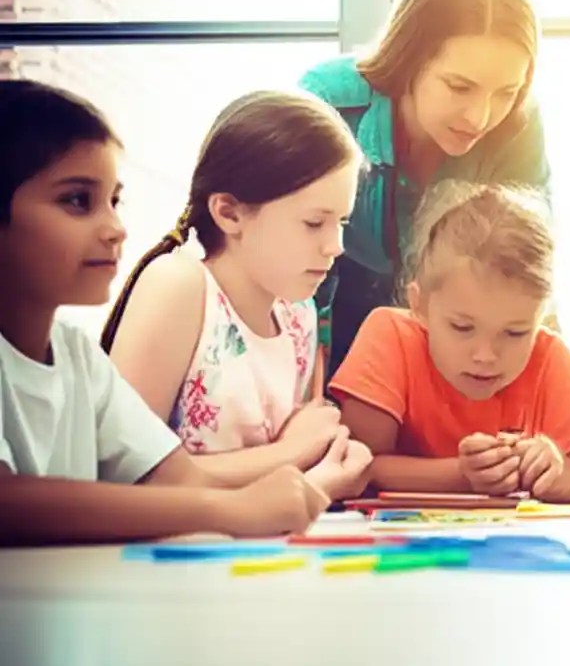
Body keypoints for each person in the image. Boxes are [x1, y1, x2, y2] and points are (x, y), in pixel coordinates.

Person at [0, 80, 335, 544]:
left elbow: (174, 478)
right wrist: (236, 506)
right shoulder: (179, 284)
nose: (115, 228)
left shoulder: (79, 358)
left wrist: (308, 480)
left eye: (113, 202)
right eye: (77, 201)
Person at [101, 90, 372, 501]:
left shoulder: (298, 314)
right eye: (314, 223)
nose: (335, 246)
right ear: (229, 212)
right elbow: (124, 472)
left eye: (342, 223)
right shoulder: (180, 286)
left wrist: (327, 459)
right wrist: (291, 455)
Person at [300, 0, 550, 377]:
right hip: (323, 331)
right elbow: (281, 278)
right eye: (459, 86)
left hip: (457, 350)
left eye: (506, 92)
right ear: (409, 57)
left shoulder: (519, 126)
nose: (480, 117)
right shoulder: (326, 104)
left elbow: (526, 274)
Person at [330, 181, 570, 502]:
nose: (486, 355)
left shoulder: (546, 355)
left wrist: (563, 473)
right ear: (419, 305)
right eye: (462, 327)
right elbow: (357, 464)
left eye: (515, 333)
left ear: (539, 319)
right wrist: (460, 475)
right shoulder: (390, 336)